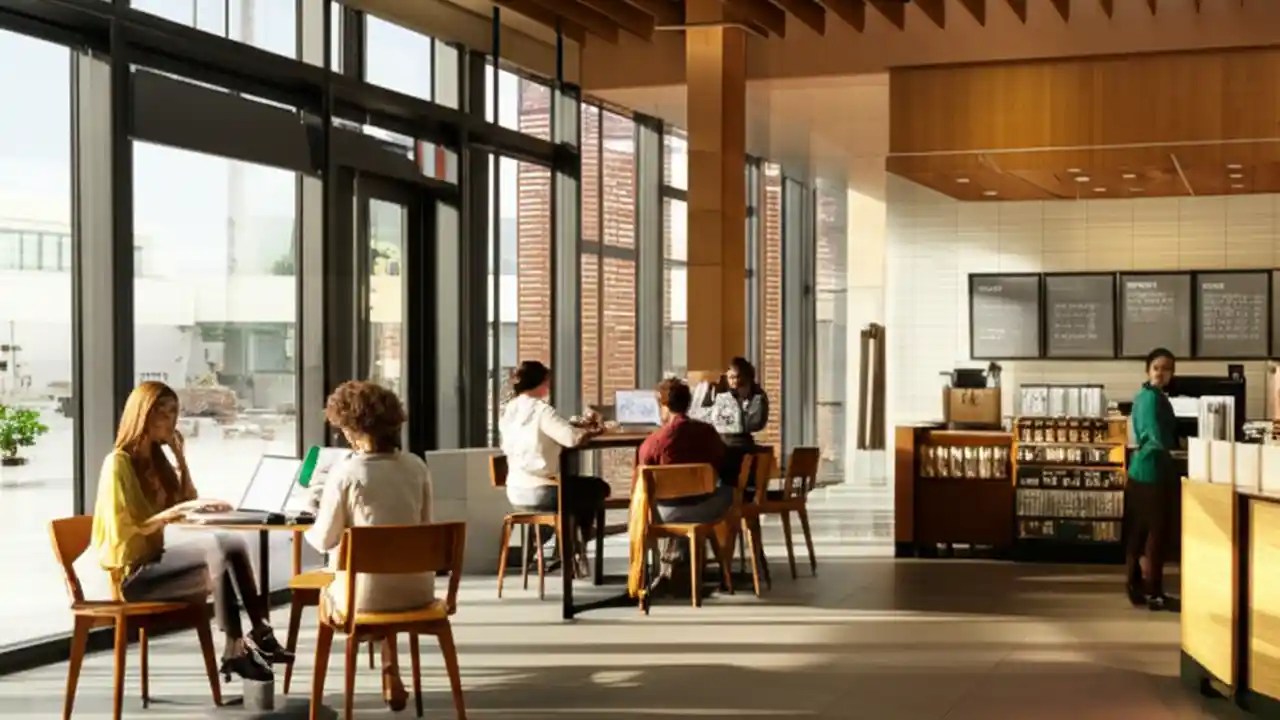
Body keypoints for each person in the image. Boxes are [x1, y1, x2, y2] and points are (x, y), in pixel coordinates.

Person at [91, 381, 291, 683]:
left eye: (173, 412)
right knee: (217, 552)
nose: (169, 420)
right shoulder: (118, 463)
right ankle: (238, 649)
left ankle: (255, 635)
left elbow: (185, 501)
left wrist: (181, 459)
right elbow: (129, 529)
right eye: (161, 411)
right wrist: (177, 512)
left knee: (229, 543)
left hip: (157, 562)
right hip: (133, 576)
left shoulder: (158, 461)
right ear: (142, 414)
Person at [304, 380, 433, 711]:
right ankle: (392, 673)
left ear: (351, 430)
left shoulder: (346, 473)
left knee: (340, 584)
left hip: (362, 599)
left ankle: (317, 696)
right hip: (418, 592)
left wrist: (310, 519)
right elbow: (422, 527)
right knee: (379, 569)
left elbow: (325, 539)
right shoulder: (417, 466)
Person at [499, 360, 610, 575]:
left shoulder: (508, 411)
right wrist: (593, 432)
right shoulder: (542, 411)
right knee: (597, 488)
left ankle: (570, 547)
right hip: (542, 491)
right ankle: (579, 549)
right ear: (540, 383)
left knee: (577, 492)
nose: (549, 386)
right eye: (547, 382)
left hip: (515, 490)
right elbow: (571, 439)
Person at [637, 378, 734, 524]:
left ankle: (681, 544)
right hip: (705, 508)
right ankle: (707, 545)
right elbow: (723, 463)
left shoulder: (652, 443)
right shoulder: (707, 433)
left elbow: (641, 481)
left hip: (665, 513)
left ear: (663, 405)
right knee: (729, 491)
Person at [1127, 347, 1178, 611]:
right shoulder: (1152, 399)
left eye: (1167, 368)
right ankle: (1155, 592)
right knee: (1156, 533)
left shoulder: (1146, 396)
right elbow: (1155, 434)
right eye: (1157, 367)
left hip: (1140, 471)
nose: (1161, 372)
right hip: (1152, 471)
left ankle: (1136, 586)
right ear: (1148, 370)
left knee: (1139, 532)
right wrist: (1173, 445)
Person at [698, 357, 770, 491]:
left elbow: (754, 423)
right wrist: (711, 394)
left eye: (738, 378)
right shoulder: (722, 393)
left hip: (740, 447)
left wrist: (739, 407)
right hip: (721, 442)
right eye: (730, 378)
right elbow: (704, 413)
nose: (734, 382)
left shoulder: (757, 396)